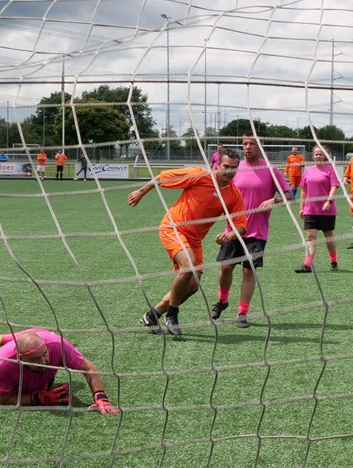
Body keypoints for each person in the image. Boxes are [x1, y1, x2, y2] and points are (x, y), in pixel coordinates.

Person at [127, 148, 246, 338]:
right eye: (226, 166)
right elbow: (163, 177)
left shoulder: (234, 194)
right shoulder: (199, 176)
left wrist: (229, 236)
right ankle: (172, 315)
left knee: (192, 287)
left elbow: (241, 225)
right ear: (217, 165)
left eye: (234, 168)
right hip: (173, 228)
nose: (229, 171)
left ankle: (153, 314)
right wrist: (141, 192)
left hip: (194, 240)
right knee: (189, 266)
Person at [209, 134, 290, 328]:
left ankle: (242, 313)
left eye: (251, 143)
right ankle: (222, 301)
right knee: (226, 267)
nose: (247, 147)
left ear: (260, 146)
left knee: (248, 270)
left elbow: (289, 195)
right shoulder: (234, 169)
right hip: (233, 229)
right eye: (244, 143)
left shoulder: (270, 170)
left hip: (257, 232)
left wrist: (274, 200)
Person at [0, 324, 119, 413]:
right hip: (4, 363)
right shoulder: (1, 365)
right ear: (20, 359)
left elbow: (88, 368)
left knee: (42, 332)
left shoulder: (57, 345)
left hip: (44, 337)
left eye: (44, 354)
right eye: (36, 359)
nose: (44, 361)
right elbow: (4, 400)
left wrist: (101, 398)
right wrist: (36, 399)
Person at [293, 144, 341, 273]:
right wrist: (302, 207)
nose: (318, 156)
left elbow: (334, 187)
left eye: (320, 154)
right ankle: (307, 265)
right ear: (313, 156)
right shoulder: (308, 170)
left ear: (325, 156)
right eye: (316, 154)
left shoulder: (330, 170)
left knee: (328, 235)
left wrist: (329, 201)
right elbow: (304, 190)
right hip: (310, 209)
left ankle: (333, 261)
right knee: (310, 237)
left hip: (327, 210)